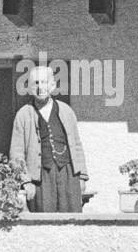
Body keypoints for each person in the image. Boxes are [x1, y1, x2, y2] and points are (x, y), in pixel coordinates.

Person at [9, 65, 88, 213]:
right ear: (30, 88)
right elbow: (16, 153)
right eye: (36, 83)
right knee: (43, 222)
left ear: (52, 85)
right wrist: (26, 181)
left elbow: (77, 145)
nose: (40, 87)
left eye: (44, 82)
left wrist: (82, 176)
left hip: (68, 173)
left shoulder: (66, 111)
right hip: (40, 178)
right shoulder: (23, 114)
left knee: (71, 220)